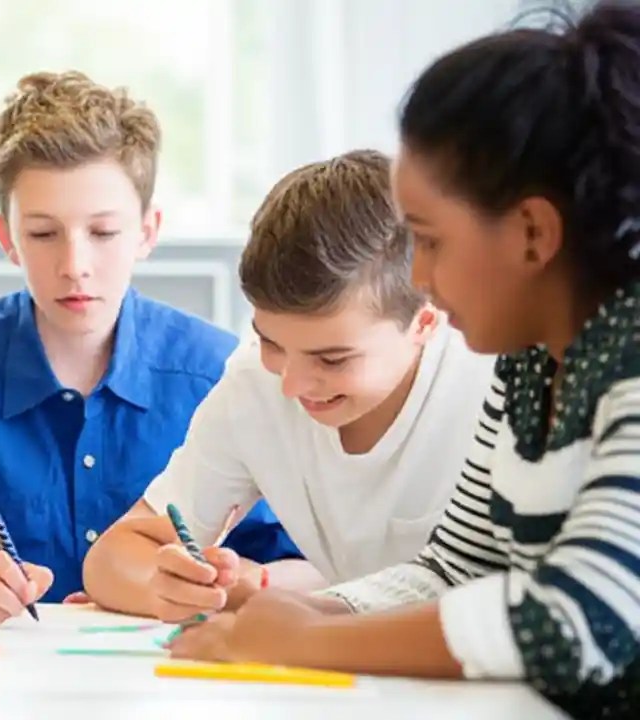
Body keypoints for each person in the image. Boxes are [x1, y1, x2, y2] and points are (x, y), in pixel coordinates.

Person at [168, 4, 640, 716]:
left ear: (533, 234)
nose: (416, 276)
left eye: (430, 239)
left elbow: (582, 616)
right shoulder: (528, 367)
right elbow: (455, 569)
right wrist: (307, 615)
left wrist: (304, 644)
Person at [0, 70, 299, 629]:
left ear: (147, 231)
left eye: (103, 233)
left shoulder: (222, 373)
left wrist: (234, 581)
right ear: (7, 238)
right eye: (44, 234)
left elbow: (300, 557)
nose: (75, 265)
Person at [82, 150, 494, 620]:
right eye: (270, 342)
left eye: (332, 358)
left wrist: (309, 618)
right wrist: (168, 588)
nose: (292, 386)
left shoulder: (492, 389)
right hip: (351, 672)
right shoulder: (254, 385)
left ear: (424, 322)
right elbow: (114, 556)